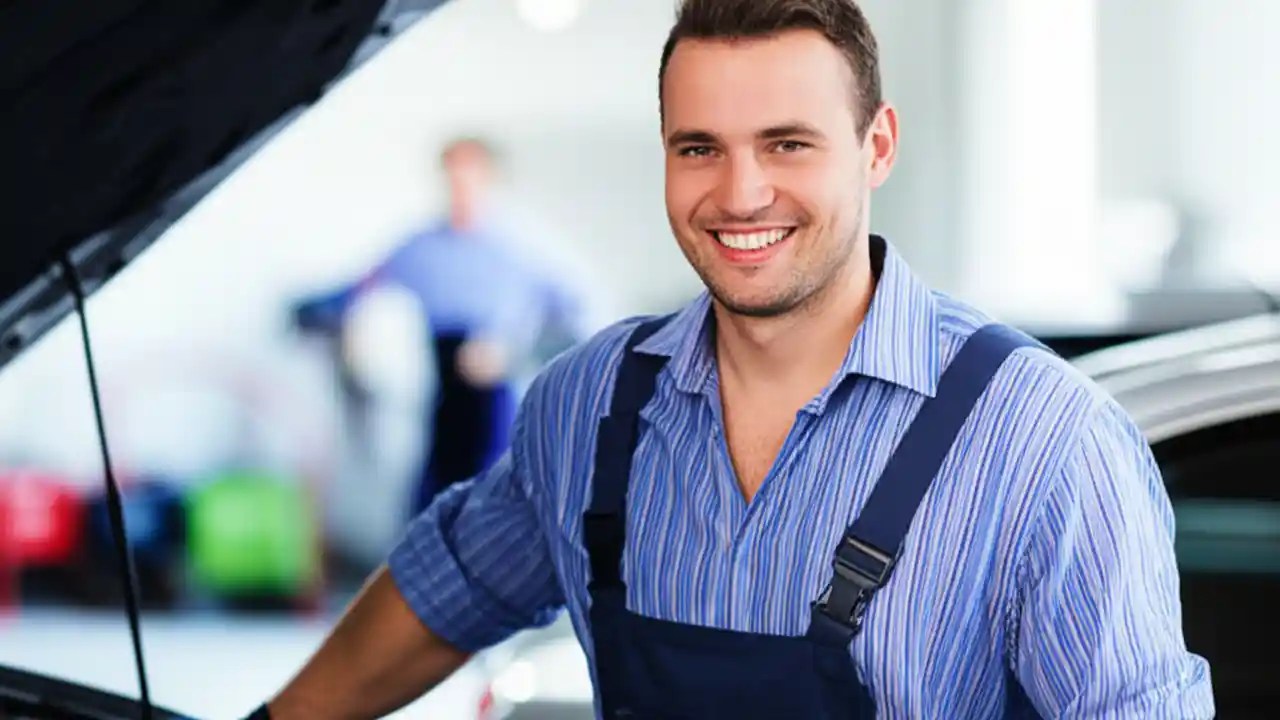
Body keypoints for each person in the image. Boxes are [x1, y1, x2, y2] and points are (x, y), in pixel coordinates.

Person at [253, 1, 1215, 717]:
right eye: (699, 148)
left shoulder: (1047, 441)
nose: (740, 192)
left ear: (875, 145)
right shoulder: (588, 404)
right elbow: (448, 586)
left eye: (787, 144)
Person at [293, 136, 590, 517]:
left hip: (502, 405)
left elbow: (579, 325)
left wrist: (511, 354)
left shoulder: (524, 253)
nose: (460, 189)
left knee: (499, 514)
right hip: (442, 400)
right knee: (430, 513)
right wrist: (302, 311)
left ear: (492, 180)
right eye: (452, 177)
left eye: (470, 178)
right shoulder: (420, 249)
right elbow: (355, 290)